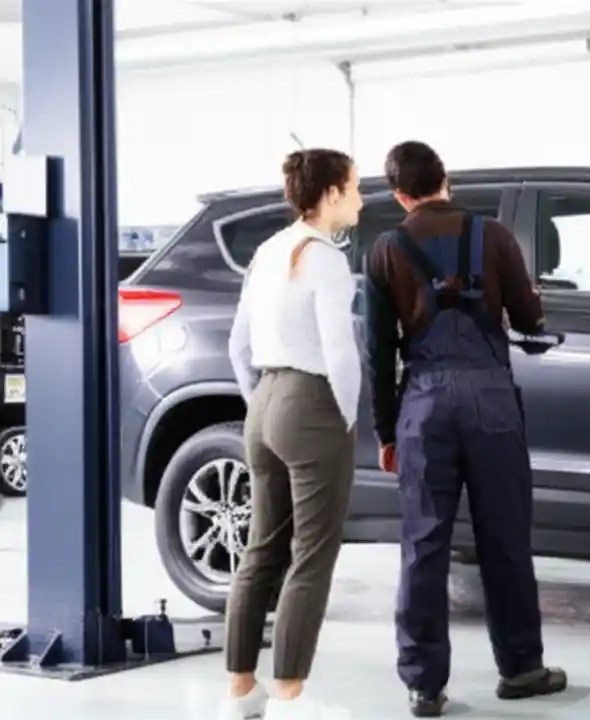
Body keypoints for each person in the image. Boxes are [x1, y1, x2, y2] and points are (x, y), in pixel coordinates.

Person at [363, 141, 567, 717]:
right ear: (445, 179)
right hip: (491, 403)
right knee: (504, 537)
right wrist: (528, 304)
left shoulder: (385, 250)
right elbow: (529, 320)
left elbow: (378, 353)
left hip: (423, 406)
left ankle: (425, 685)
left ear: (400, 194)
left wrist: (385, 432)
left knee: (424, 544)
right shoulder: (495, 236)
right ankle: (522, 668)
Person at [220, 148, 364, 720]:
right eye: (353, 188)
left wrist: (261, 400)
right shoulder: (323, 258)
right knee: (311, 556)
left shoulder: (267, 250)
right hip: (312, 405)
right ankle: (290, 698)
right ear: (329, 193)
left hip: (265, 401)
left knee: (260, 552)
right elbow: (340, 351)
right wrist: (346, 416)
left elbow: (237, 345)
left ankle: (239, 690)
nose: (358, 198)